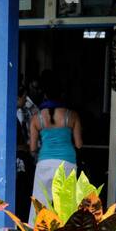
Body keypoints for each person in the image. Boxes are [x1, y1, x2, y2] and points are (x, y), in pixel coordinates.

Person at [27, 71, 82, 216]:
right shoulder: (72, 116)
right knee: (66, 205)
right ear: (62, 94)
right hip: (67, 163)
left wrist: (37, 155)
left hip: (44, 163)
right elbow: (79, 145)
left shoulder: (36, 118)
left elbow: (32, 148)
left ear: (44, 94)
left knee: (40, 205)